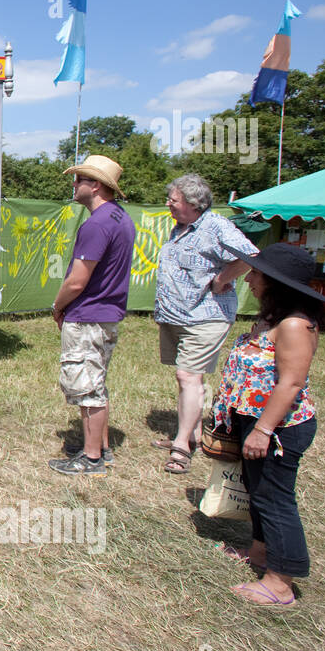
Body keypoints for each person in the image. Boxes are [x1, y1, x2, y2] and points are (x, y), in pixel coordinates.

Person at [210, 242, 325, 606]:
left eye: (257, 273)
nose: (250, 278)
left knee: (275, 499)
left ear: (276, 282)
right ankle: (260, 553)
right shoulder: (274, 319)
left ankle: (281, 583)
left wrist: (264, 429)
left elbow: (291, 383)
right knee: (259, 492)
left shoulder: (295, 324)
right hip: (257, 421)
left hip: (279, 429)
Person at [154, 174, 258, 474]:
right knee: (187, 378)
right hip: (178, 316)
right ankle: (195, 434)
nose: (168, 204)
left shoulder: (216, 226)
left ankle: (181, 446)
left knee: (188, 376)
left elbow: (251, 255)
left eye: (173, 200)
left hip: (206, 315)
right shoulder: (181, 228)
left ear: (193, 202)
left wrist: (223, 279)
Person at [46, 155, 136, 475]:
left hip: (88, 315)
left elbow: (77, 280)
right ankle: (101, 447)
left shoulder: (96, 224)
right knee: (96, 382)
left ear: (95, 185)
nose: (74, 185)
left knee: (87, 387)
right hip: (105, 314)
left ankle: (92, 457)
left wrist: (57, 306)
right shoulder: (120, 218)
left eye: (79, 179)